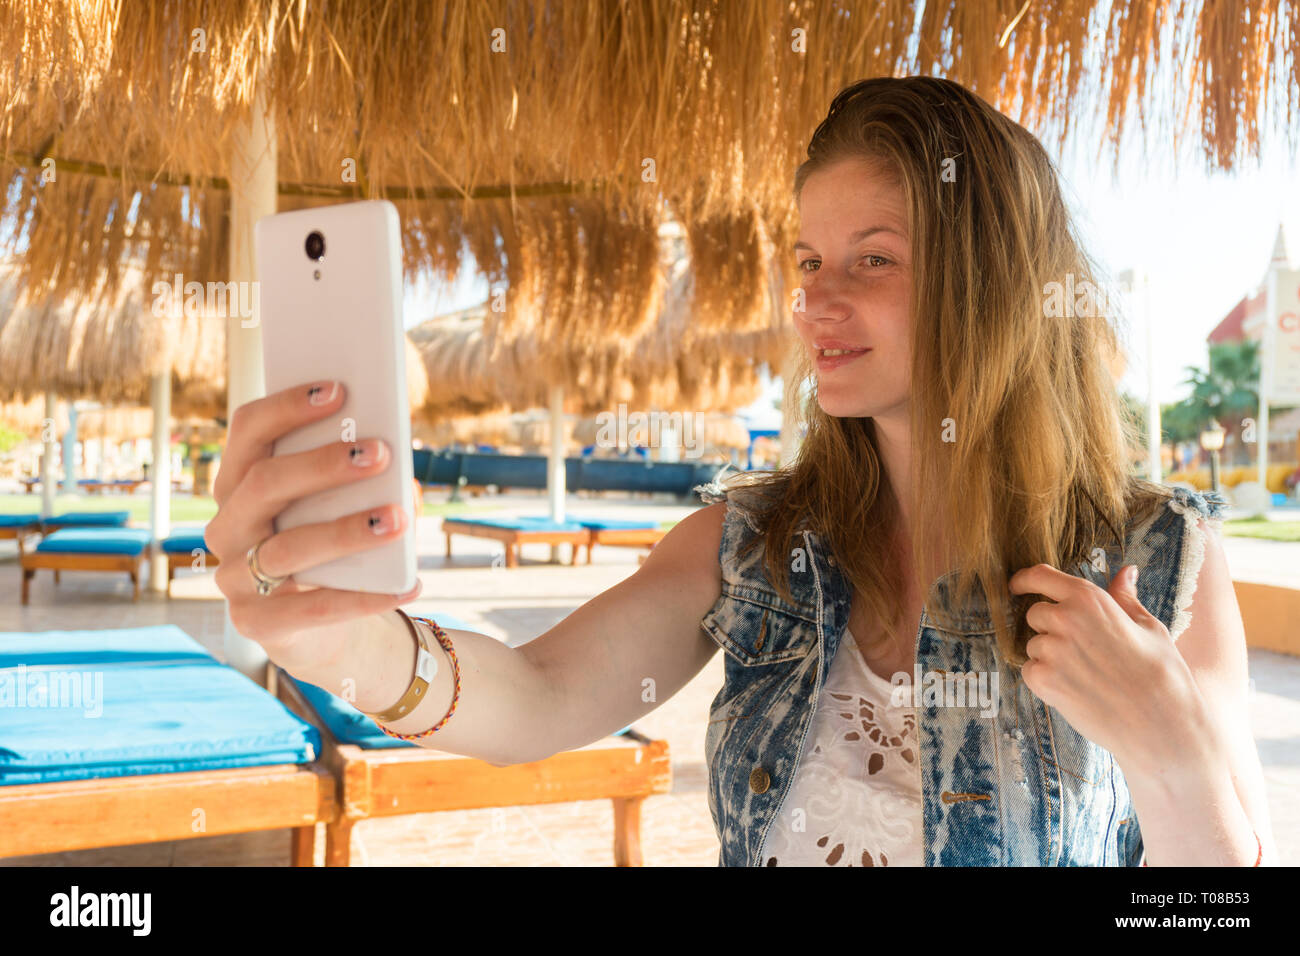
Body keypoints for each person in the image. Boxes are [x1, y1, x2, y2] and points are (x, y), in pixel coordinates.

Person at [205, 75, 1274, 867]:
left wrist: (1166, 743)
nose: (814, 300)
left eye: (873, 258)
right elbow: (534, 697)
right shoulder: (752, 544)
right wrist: (345, 641)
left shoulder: (1157, 560)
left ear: (990, 279)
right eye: (808, 261)